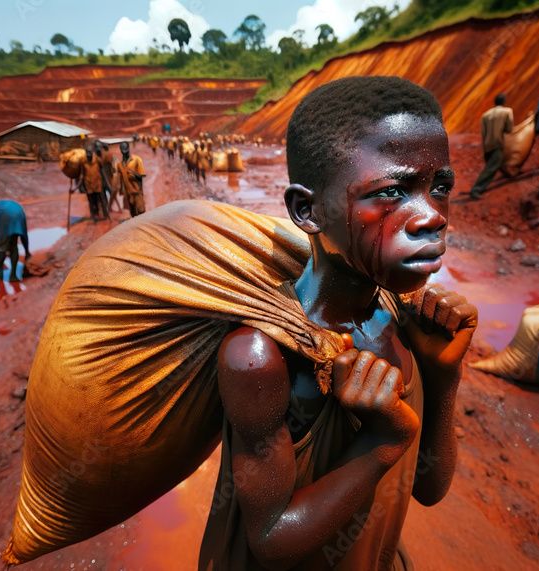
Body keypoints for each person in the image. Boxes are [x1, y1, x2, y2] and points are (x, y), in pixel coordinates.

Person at [198, 76, 477, 570]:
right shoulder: (263, 356)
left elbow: (430, 489)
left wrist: (443, 378)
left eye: (440, 187)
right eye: (392, 191)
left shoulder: (396, 318)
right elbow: (269, 538)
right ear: (307, 210)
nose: (431, 215)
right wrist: (382, 442)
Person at [469, 93, 514, 200]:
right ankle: (476, 190)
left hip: (487, 145)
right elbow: (509, 129)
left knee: (494, 164)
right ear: (503, 102)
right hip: (497, 143)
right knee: (491, 167)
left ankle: (507, 173)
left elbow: (483, 133)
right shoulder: (507, 111)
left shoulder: (486, 115)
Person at [0, 200, 31, 282]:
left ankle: (0, 270)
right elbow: (24, 232)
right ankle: (13, 275)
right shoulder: (12, 206)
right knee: (14, 246)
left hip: (6, 218)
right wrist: (27, 250)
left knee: (1, 247)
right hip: (19, 212)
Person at [118, 141, 147, 217]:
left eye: (126, 151)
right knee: (133, 213)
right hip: (128, 192)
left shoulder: (136, 159)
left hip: (137, 191)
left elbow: (142, 175)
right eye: (123, 152)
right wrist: (121, 190)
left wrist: (134, 174)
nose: (125, 153)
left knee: (141, 211)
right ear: (121, 151)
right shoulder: (120, 164)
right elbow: (121, 177)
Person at [80, 148, 108, 221]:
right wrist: (79, 186)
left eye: (90, 156)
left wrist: (105, 182)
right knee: (91, 201)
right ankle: (94, 215)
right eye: (88, 157)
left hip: (97, 183)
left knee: (101, 200)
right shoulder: (83, 162)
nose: (89, 158)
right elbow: (82, 175)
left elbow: (102, 168)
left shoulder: (97, 160)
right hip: (88, 184)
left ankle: (106, 215)